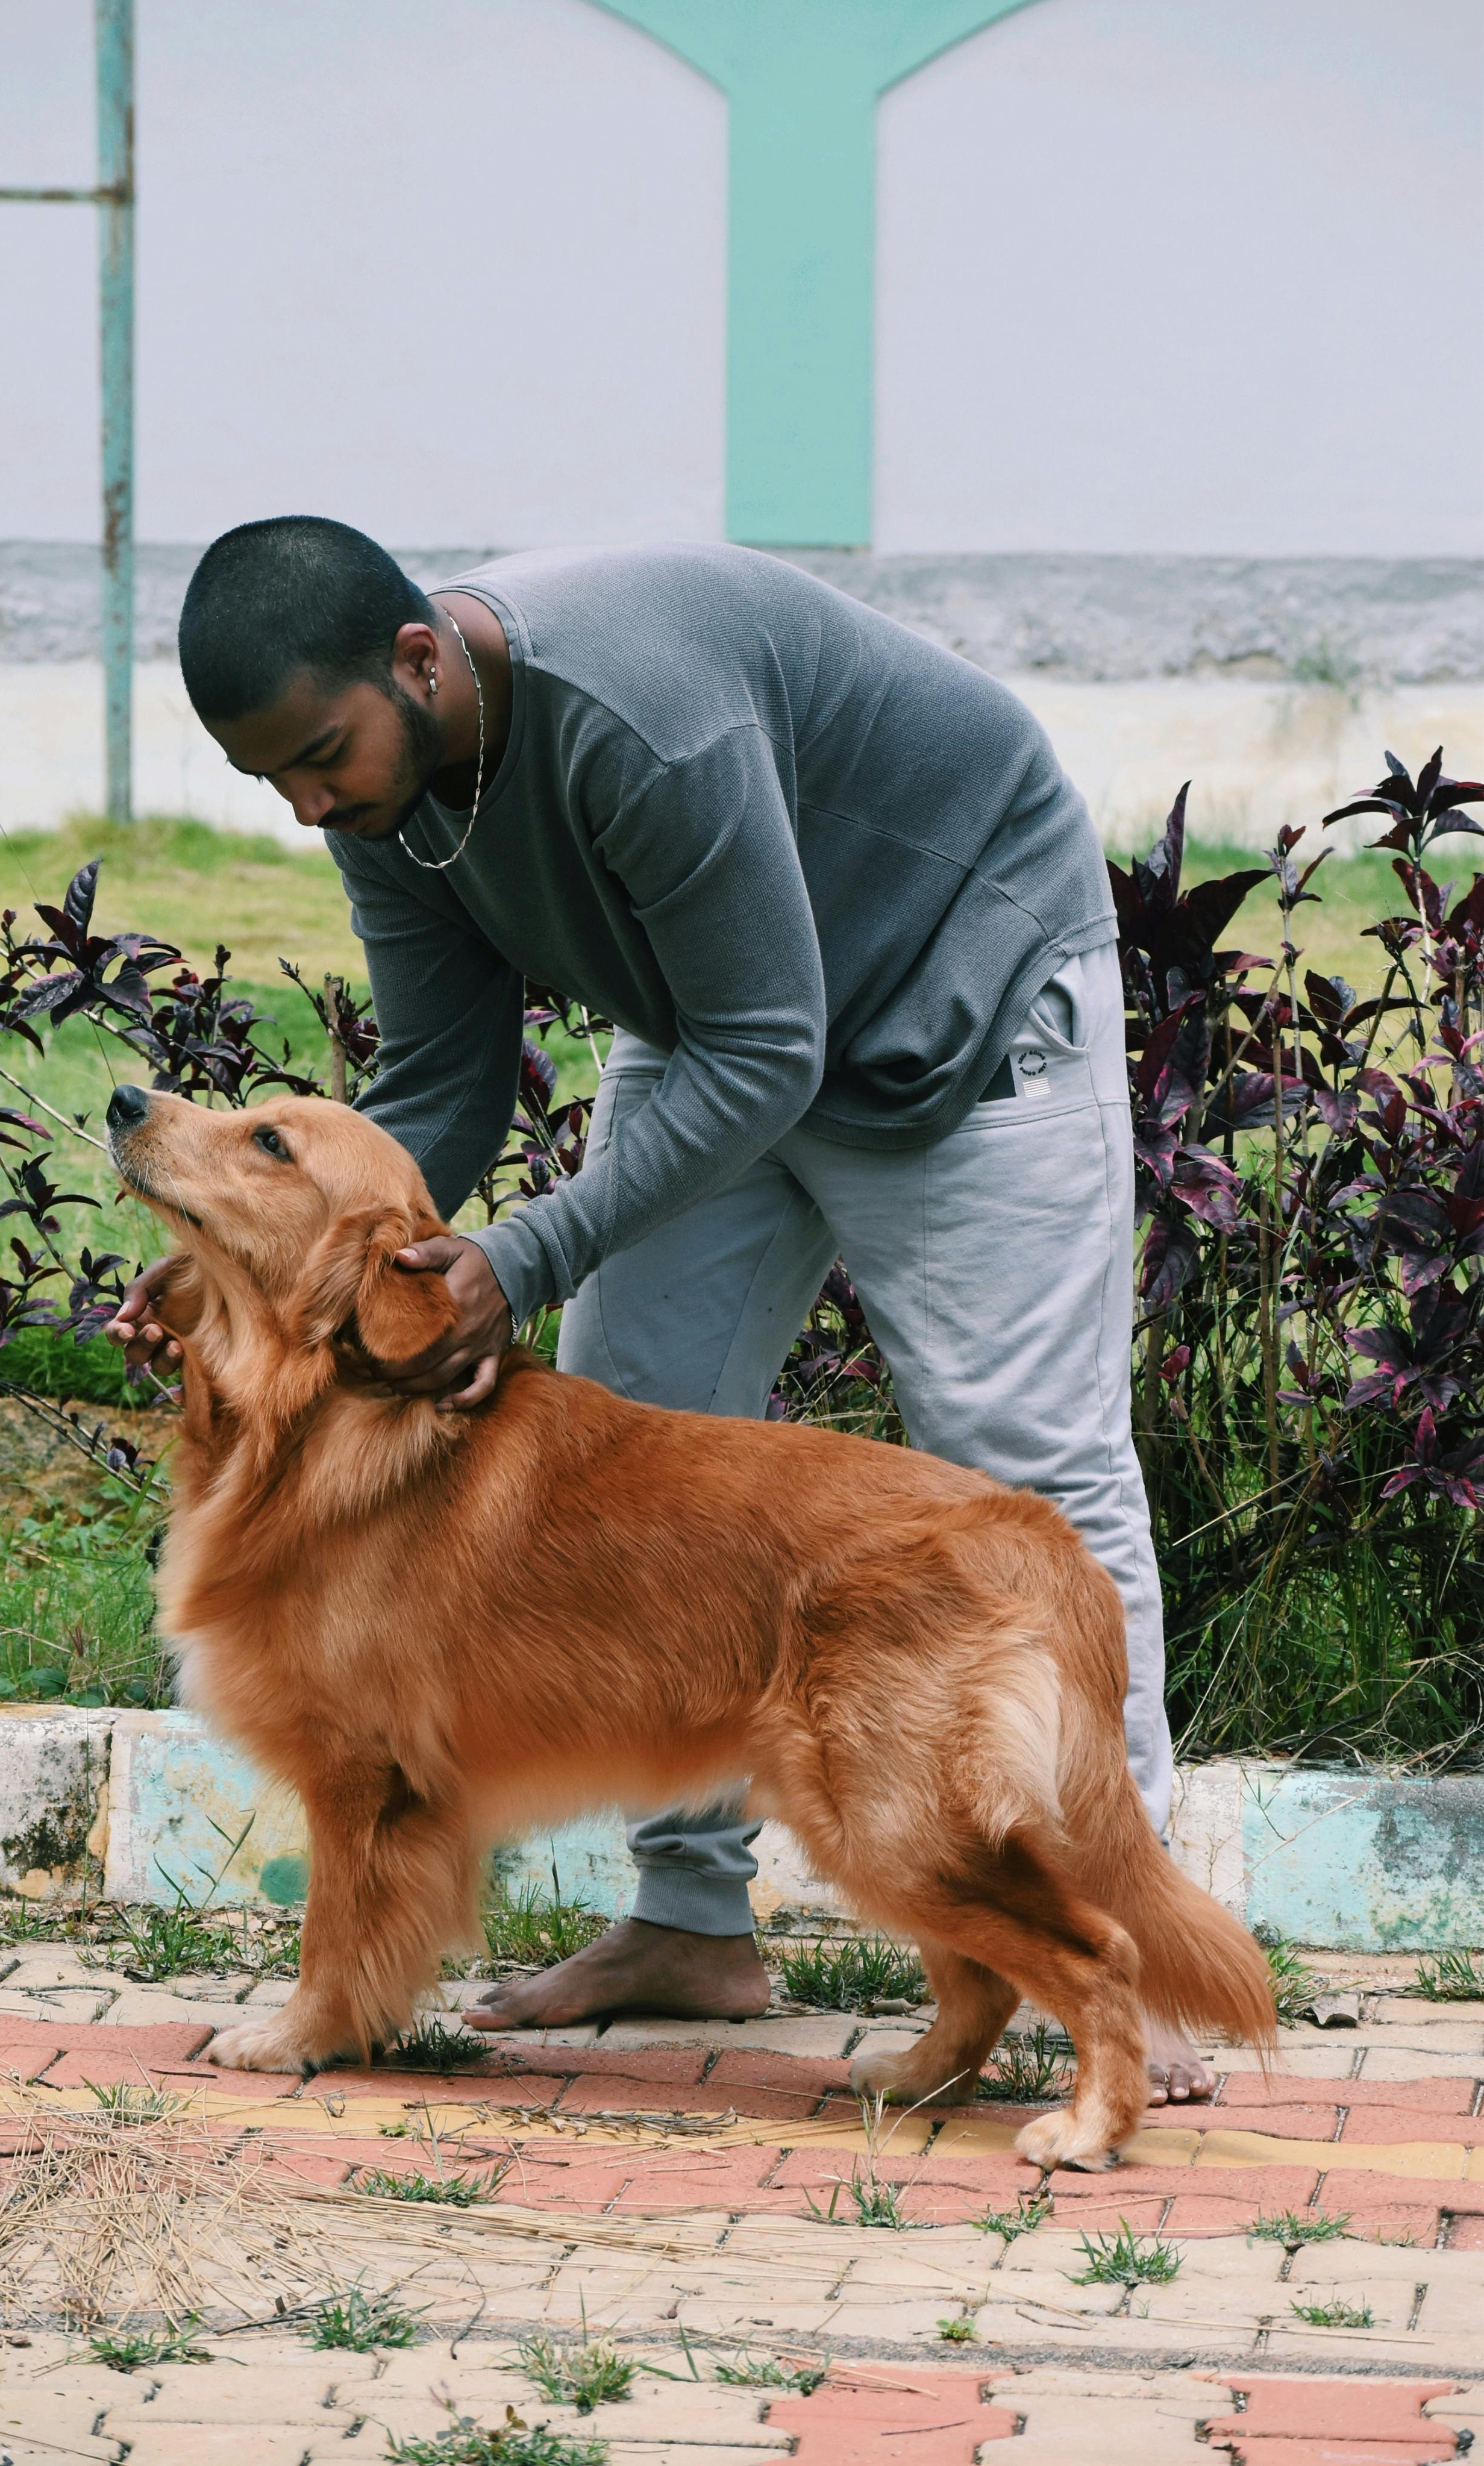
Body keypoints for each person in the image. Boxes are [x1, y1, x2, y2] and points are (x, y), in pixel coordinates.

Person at [110, 515, 1213, 2103]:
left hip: (956, 994)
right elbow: (441, 1087)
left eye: (320, 758)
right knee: (632, 1446)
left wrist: (521, 1258)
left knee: (1029, 1458)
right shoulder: (383, 789)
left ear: (416, 662)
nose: (306, 805)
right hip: (723, 1021)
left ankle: (1129, 1962)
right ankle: (691, 1925)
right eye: (269, 778)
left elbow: (775, 1048)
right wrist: (258, 1257)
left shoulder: (640, 711)